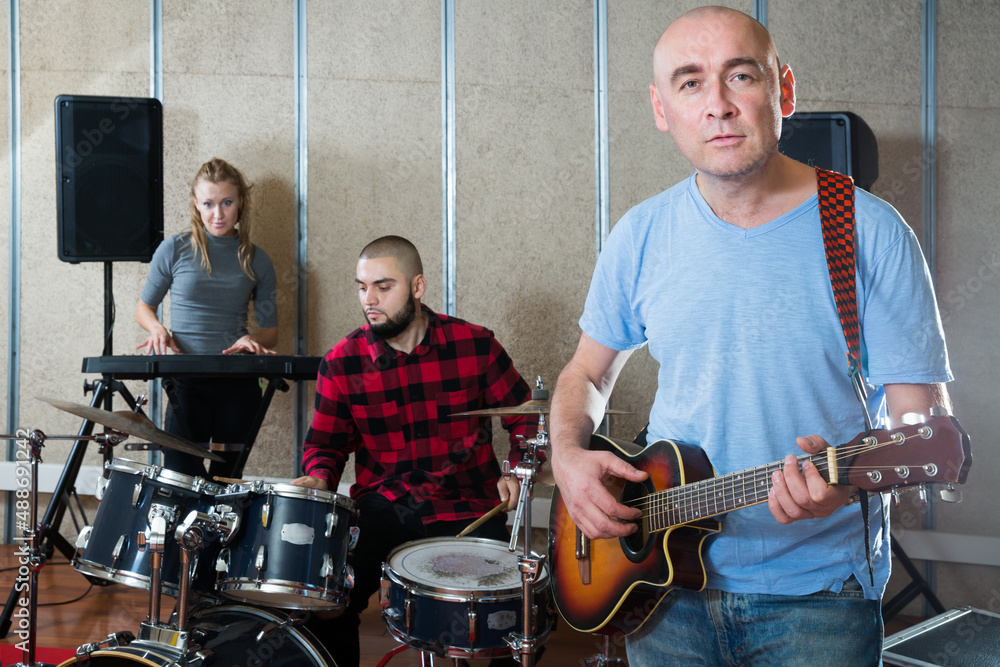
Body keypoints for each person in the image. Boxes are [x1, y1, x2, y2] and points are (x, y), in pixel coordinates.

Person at [548, 6, 952, 666]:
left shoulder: (869, 233)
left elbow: (921, 419)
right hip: (664, 588)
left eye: (740, 76)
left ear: (782, 90)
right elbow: (586, 374)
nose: (718, 106)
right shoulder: (641, 235)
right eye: (690, 82)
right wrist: (566, 454)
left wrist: (846, 486)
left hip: (820, 596)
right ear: (661, 107)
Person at [292, 235, 539, 667]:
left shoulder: (475, 346)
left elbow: (525, 417)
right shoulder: (342, 362)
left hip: (469, 506)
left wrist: (516, 470)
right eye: (362, 287)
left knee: (520, 608)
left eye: (383, 287)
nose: (369, 300)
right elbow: (325, 446)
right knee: (327, 598)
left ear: (418, 287)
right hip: (383, 508)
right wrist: (317, 476)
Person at [136, 157, 278, 479]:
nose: (218, 214)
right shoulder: (174, 248)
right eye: (209, 204)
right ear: (196, 205)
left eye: (227, 202)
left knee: (226, 485)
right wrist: (157, 327)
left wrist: (250, 341)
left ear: (240, 202)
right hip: (187, 383)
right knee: (179, 480)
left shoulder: (258, 260)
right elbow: (143, 307)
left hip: (238, 386)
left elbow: (271, 334)